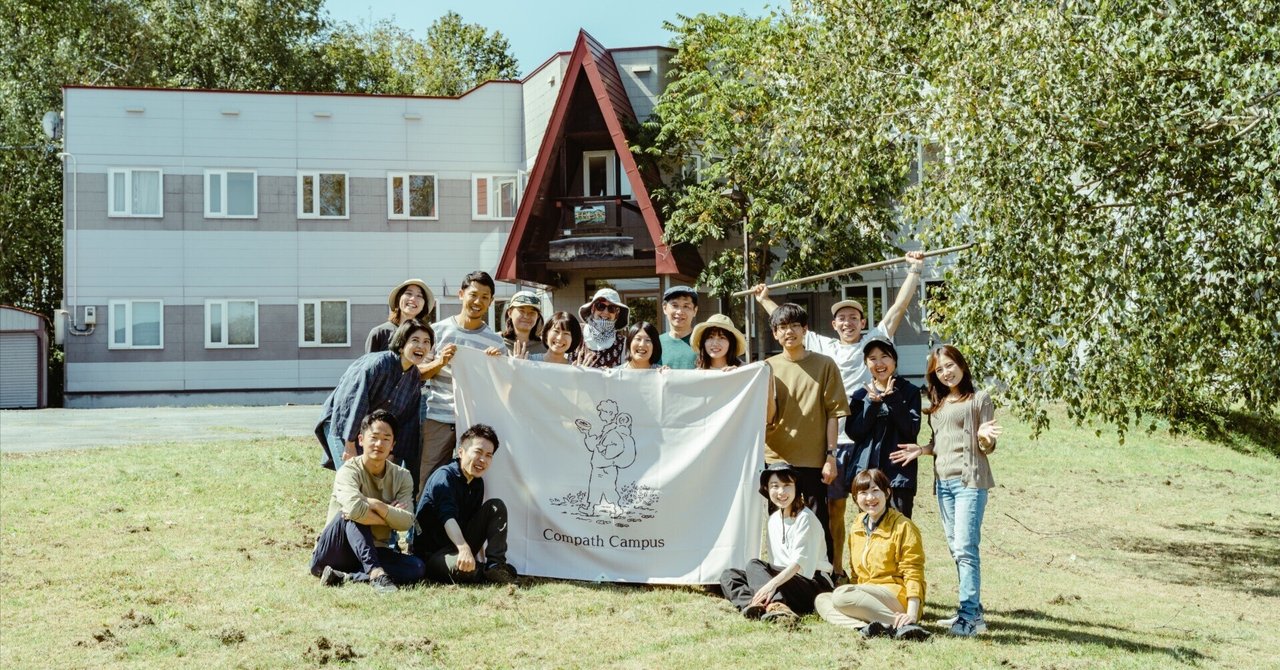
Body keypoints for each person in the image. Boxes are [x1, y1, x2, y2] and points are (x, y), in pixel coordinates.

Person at [752, 250, 923, 581]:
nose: (847, 322)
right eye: (841, 318)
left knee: (864, 506)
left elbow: (898, 309)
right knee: (832, 511)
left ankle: (865, 571)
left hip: (859, 441)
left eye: (853, 317)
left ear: (863, 322)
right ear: (833, 325)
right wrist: (764, 299)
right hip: (825, 442)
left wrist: (914, 271)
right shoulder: (822, 346)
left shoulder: (874, 343)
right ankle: (835, 569)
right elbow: (787, 328)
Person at [891, 344, 1002, 637]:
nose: (945, 373)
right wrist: (922, 449)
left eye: (949, 366)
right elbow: (941, 442)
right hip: (943, 484)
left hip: (969, 483)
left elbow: (986, 447)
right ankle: (974, 613)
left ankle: (967, 616)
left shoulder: (979, 399)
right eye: (939, 370)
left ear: (961, 366)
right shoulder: (938, 406)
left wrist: (985, 437)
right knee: (956, 549)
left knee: (966, 548)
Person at [763, 303, 850, 561]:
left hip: (814, 458)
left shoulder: (825, 365)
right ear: (775, 334)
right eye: (782, 327)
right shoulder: (766, 366)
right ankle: (781, 571)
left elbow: (834, 413)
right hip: (776, 456)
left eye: (794, 326)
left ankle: (821, 574)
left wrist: (831, 456)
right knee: (779, 518)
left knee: (816, 520)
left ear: (805, 330)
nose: (788, 332)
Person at [309, 410, 425, 593]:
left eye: (386, 438)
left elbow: (406, 522)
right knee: (350, 515)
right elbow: (355, 510)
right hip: (335, 550)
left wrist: (376, 505)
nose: (379, 444)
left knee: (417, 568)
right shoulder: (348, 471)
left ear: (393, 444)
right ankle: (375, 572)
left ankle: (346, 576)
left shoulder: (402, 476)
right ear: (361, 440)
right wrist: (389, 516)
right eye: (374, 437)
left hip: (378, 548)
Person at [315, 319, 433, 487]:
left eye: (426, 342)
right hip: (342, 423)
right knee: (352, 479)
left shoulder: (414, 376)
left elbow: (407, 420)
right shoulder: (377, 364)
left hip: (372, 430)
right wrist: (349, 444)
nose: (421, 346)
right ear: (401, 344)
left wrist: (393, 452)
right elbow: (352, 403)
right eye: (415, 340)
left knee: (373, 483)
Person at [814, 469, 929, 640]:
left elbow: (913, 572)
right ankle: (868, 627)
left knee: (840, 595)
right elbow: (856, 574)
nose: (870, 498)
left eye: (875, 491)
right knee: (822, 599)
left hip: (896, 595)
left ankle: (907, 624)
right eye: (863, 493)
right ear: (855, 498)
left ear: (887, 493)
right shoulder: (857, 526)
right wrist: (853, 595)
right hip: (866, 593)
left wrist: (912, 612)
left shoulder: (904, 526)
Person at [420, 271, 506, 488]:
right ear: (461, 294)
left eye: (485, 297)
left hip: (474, 422)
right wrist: (440, 361)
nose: (478, 302)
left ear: (491, 301)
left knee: (468, 481)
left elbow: (504, 389)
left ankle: (459, 522)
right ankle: (424, 522)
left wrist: (495, 367)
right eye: (473, 294)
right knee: (428, 477)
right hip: (439, 418)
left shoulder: (496, 343)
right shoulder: (437, 332)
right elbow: (419, 374)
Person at [720, 463, 834, 623]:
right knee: (729, 575)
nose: (781, 492)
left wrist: (771, 584)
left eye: (787, 485)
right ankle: (755, 606)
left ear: (796, 488)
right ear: (767, 489)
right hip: (785, 581)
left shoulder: (805, 518)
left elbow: (798, 565)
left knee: (754, 565)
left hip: (814, 584)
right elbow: (775, 564)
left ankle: (777, 607)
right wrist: (770, 584)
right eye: (775, 486)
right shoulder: (773, 520)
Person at [413, 424, 517, 584]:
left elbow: (473, 524)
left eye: (489, 455)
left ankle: (496, 566)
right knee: (462, 571)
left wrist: (465, 548)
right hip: (433, 554)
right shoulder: (444, 477)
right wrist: (463, 548)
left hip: (459, 547)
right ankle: (484, 572)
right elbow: (448, 518)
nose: (483, 460)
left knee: (496, 506)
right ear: (461, 452)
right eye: (478, 452)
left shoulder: (477, 483)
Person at [845, 338, 922, 517]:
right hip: (867, 474)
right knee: (869, 529)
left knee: (899, 530)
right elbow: (855, 433)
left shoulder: (909, 391)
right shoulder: (860, 395)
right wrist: (871, 404)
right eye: (872, 358)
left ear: (894, 361)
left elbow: (911, 430)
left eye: (885, 357)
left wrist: (893, 399)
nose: (879, 363)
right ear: (866, 363)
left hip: (898, 475)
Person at [365, 278, 436, 353]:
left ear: (424, 305)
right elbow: (369, 363)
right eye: (408, 293)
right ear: (398, 298)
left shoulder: (426, 335)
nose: (413, 299)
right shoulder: (380, 333)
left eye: (419, 295)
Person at [575, 288, 629, 368]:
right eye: (600, 306)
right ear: (593, 309)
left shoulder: (622, 343)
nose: (606, 312)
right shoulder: (576, 332)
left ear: (616, 314)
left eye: (612, 309)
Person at [657, 285, 698, 369]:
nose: (679, 312)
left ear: (695, 311)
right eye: (675, 305)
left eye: (686, 306)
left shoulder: (704, 342)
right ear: (664, 308)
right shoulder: (655, 343)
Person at [501, 290, 546, 359]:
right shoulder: (498, 342)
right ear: (510, 313)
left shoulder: (545, 348)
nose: (526, 316)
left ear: (538, 317)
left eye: (532, 312)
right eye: (521, 311)